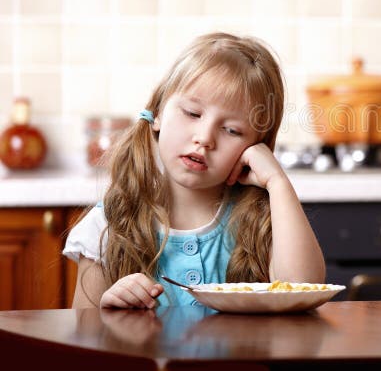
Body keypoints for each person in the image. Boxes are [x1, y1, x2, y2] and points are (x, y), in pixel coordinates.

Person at [64, 32, 325, 308]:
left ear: (254, 148)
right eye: (192, 113)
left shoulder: (265, 221)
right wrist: (109, 310)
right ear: (159, 112)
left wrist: (277, 182)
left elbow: (303, 291)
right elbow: (85, 336)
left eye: (232, 130)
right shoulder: (109, 224)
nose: (205, 138)